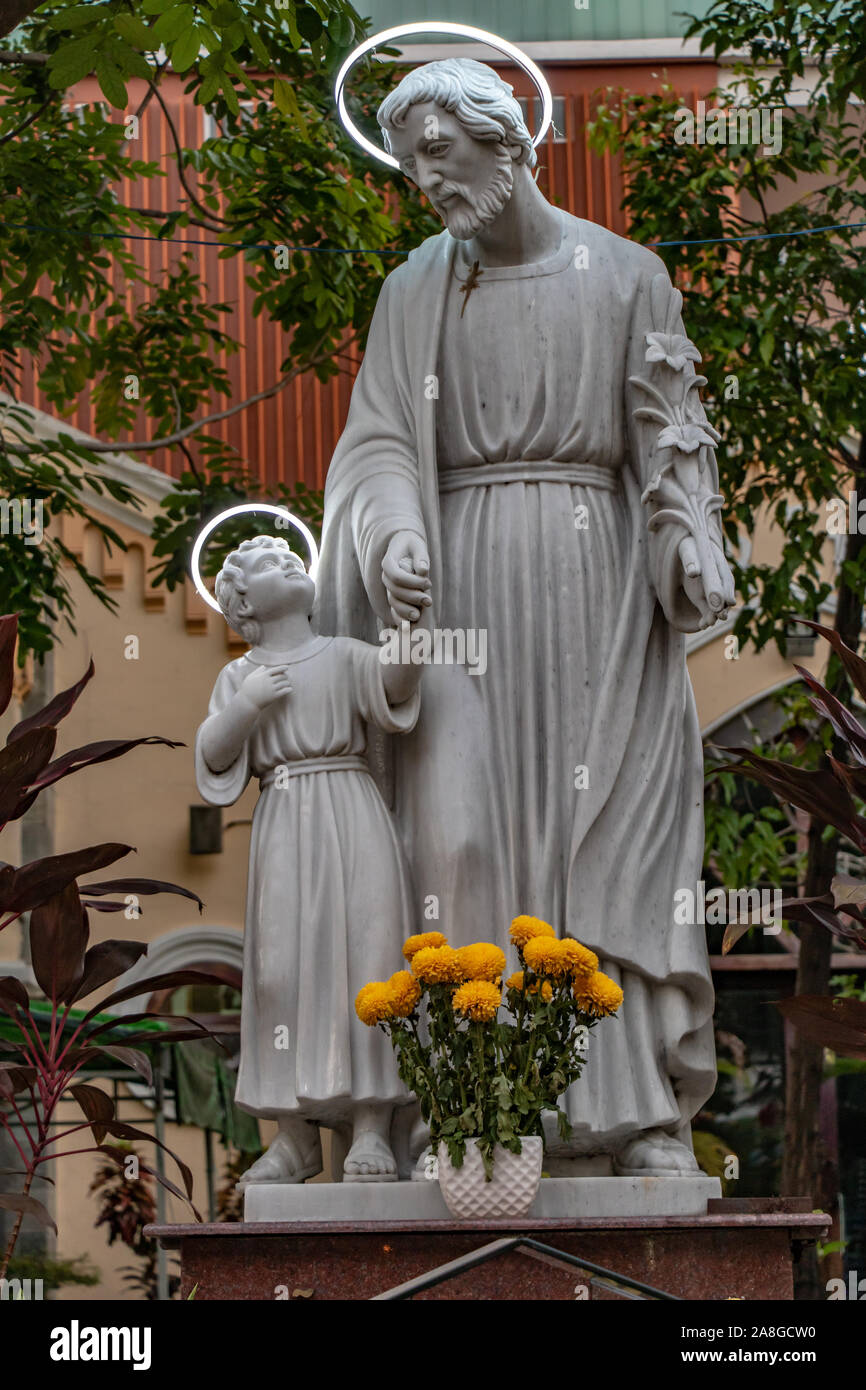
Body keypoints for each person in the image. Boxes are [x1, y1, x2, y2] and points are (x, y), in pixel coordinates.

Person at [315, 58, 737, 1177]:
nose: (423, 182)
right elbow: (377, 442)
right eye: (407, 164)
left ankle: (629, 1110)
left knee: (606, 836)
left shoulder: (625, 274)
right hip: (455, 593)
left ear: (503, 139)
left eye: (437, 155)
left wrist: (687, 539)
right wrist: (392, 529)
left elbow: (668, 434)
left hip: (596, 588)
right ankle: (466, 1107)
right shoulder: (413, 287)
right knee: (462, 840)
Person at [195, 534, 422, 1183]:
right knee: (280, 973)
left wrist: (409, 627)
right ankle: (293, 1139)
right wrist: (246, 705)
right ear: (244, 606)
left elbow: (394, 687)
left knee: (368, 960)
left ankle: (371, 1129)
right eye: (266, 563)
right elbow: (212, 757)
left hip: (351, 809)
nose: (287, 562)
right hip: (285, 818)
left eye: (290, 556)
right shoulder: (238, 675)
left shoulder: (345, 655)